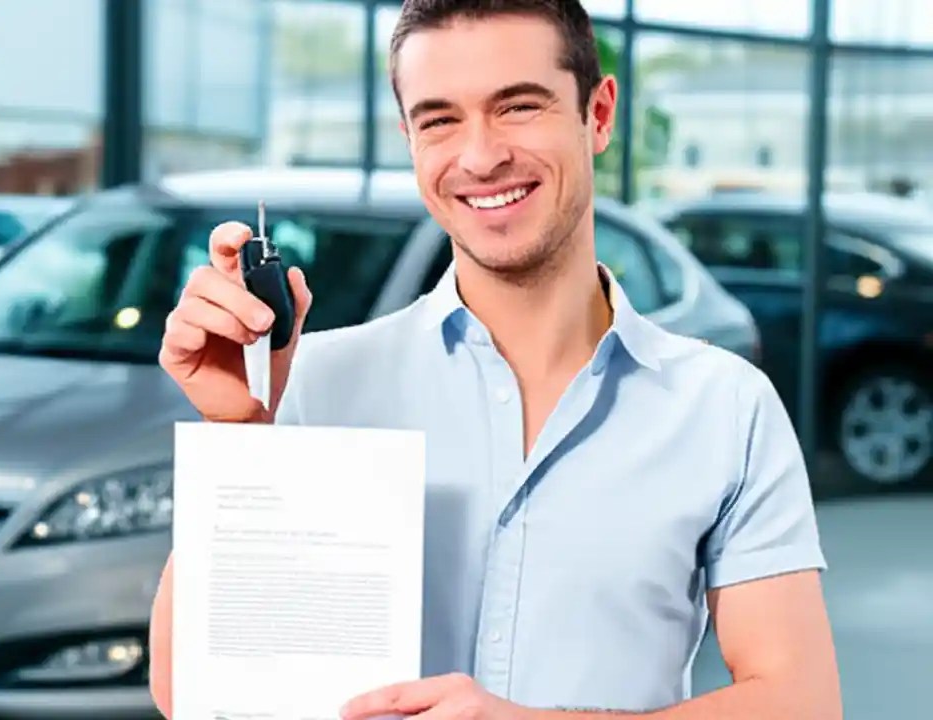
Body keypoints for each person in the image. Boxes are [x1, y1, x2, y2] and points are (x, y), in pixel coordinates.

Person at [150, 0, 842, 717]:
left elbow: (800, 701)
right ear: (411, 139)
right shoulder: (314, 384)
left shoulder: (725, 406)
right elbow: (186, 694)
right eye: (440, 119)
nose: (480, 157)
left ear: (597, 115)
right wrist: (236, 435)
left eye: (517, 107)